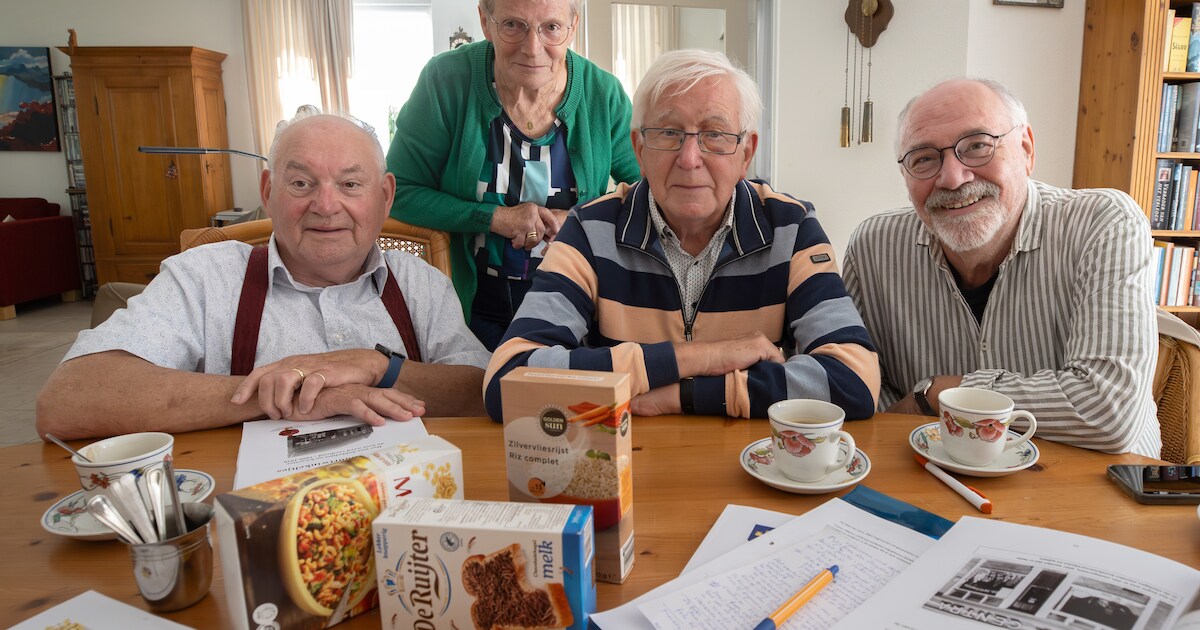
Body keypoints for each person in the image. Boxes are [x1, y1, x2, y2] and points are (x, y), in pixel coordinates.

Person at [36, 111, 491, 440]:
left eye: (351, 184)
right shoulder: (203, 277)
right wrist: (279, 395)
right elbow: (69, 398)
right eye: (301, 183)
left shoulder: (421, 284)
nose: (326, 205)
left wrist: (377, 367)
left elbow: (483, 393)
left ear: (385, 196)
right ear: (268, 191)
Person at [482, 49, 881, 421]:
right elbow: (508, 380)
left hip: (757, 470)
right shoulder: (589, 229)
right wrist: (704, 357)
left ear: (746, 153)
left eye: (715, 134)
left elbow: (854, 380)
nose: (690, 160)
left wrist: (683, 395)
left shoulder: (791, 228)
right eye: (669, 133)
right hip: (630, 468)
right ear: (639, 149)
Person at [842, 78, 1160, 457]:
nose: (952, 177)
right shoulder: (872, 248)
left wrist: (939, 394)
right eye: (924, 158)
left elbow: (1108, 411)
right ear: (905, 175)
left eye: (977, 146)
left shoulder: (1104, 224)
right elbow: (861, 393)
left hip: (1093, 489)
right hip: (935, 479)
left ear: (1025, 149)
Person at [386, 0, 640, 350]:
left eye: (551, 27)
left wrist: (582, 220)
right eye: (512, 25)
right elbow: (397, 192)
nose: (532, 48)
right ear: (485, 22)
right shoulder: (445, 81)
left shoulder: (604, 95)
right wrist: (493, 218)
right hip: (474, 310)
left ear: (573, 25)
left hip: (581, 306)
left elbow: (651, 193)